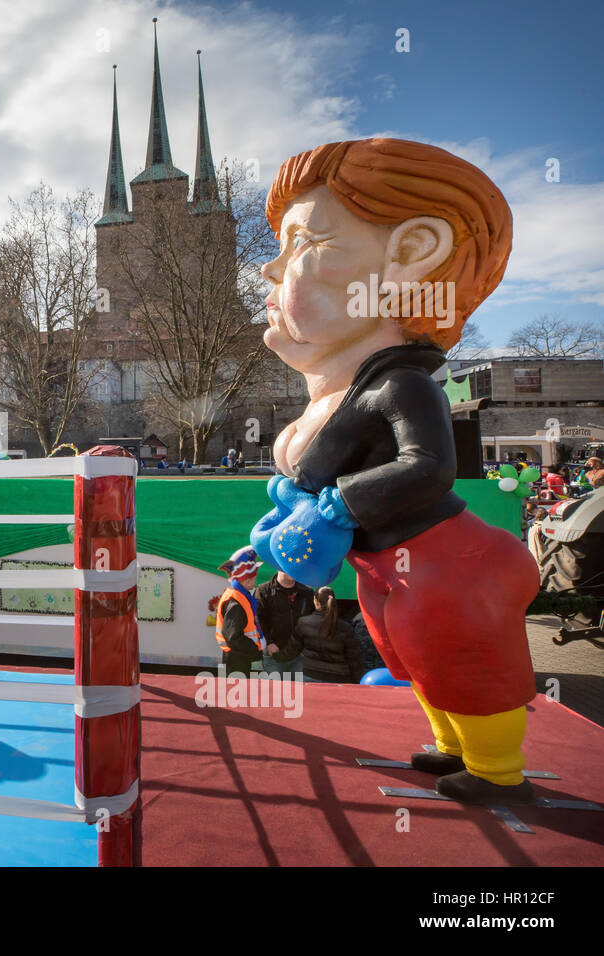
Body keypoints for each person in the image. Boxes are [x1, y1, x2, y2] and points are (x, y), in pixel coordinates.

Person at [251, 138, 539, 805]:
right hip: (388, 568)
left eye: (304, 243)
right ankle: (451, 745)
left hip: (444, 561)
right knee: (413, 656)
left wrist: (344, 502)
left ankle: (497, 768)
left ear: (412, 254)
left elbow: (429, 469)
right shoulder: (351, 387)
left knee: (455, 654)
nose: (270, 267)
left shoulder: (402, 385)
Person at [295, 588, 365, 683]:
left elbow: (294, 648)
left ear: (315, 601)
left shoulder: (303, 622)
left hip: (310, 674)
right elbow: (354, 658)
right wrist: (358, 680)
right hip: (338, 678)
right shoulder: (345, 628)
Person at [213, 545, 265, 676]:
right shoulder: (236, 601)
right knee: (238, 692)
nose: (256, 580)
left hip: (238, 655)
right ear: (247, 580)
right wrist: (254, 648)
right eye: (254, 578)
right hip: (237, 658)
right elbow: (233, 637)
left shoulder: (238, 596)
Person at [254, 570, 315, 676]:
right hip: (274, 654)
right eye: (287, 566)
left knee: (300, 692)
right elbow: (257, 620)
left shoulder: (307, 592)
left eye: (294, 567)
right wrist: (268, 642)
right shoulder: (263, 590)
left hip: (300, 654)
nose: (292, 569)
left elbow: (313, 620)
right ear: (278, 567)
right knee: (276, 692)